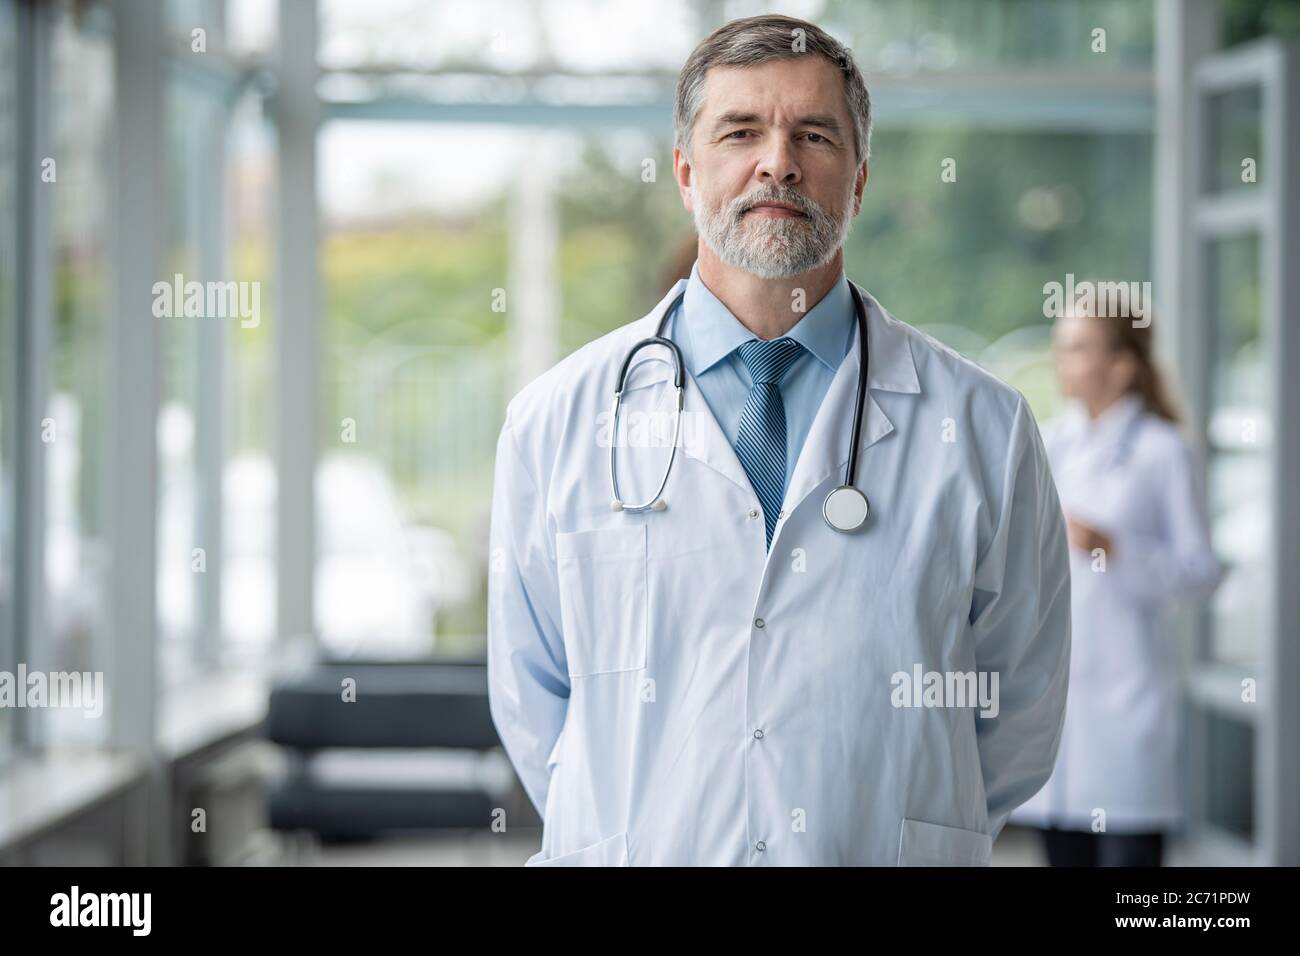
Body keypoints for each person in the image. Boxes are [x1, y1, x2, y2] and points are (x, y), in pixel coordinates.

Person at [486, 13, 1071, 866]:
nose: (778, 161)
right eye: (740, 131)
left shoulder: (982, 426)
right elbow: (532, 701)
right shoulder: (556, 423)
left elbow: (1021, 705)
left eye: (814, 134)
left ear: (860, 179)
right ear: (687, 173)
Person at [1009, 288, 1224, 866]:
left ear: (1122, 364)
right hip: (1058, 704)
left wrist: (1115, 548)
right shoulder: (1050, 442)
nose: (1062, 363)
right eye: (1061, 349)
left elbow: (1199, 574)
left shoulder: (1163, 451)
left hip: (1128, 700)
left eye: (1078, 349)